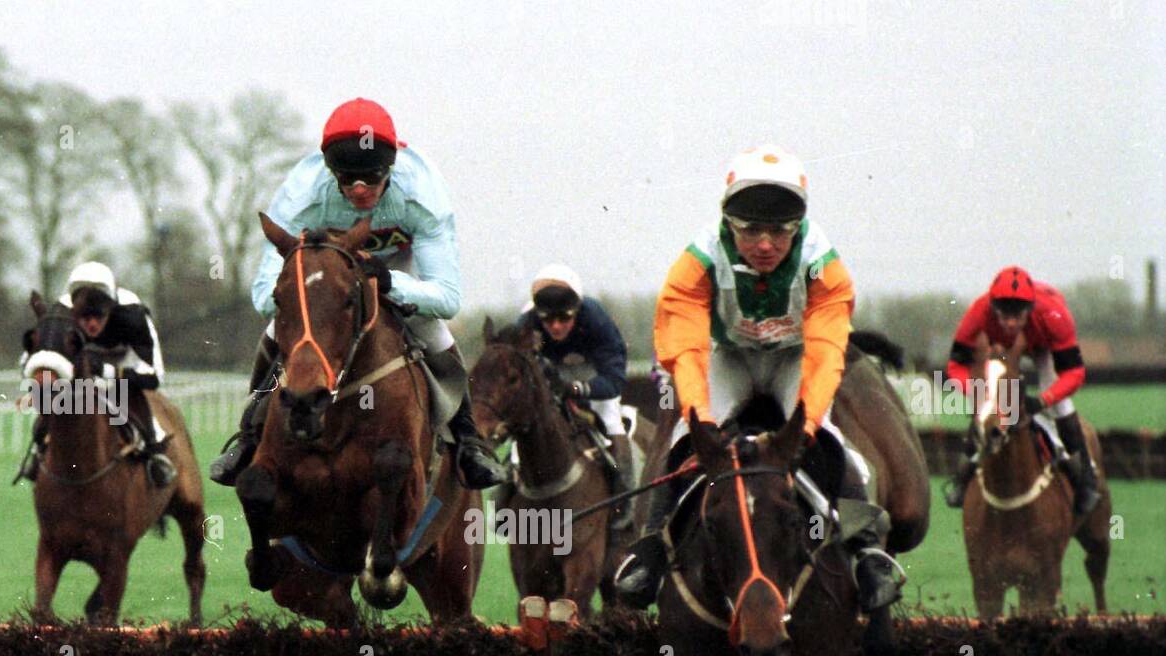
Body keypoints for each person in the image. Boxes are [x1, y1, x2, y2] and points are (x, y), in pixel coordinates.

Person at [614, 144, 901, 612]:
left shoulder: (822, 263)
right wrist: (701, 417)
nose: (765, 244)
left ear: (798, 227)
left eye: (779, 231)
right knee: (685, 440)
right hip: (731, 358)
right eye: (750, 230)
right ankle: (649, 552)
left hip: (794, 358)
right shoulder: (697, 261)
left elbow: (828, 352)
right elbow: (685, 349)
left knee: (827, 440)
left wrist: (804, 428)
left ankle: (867, 552)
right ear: (729, 223)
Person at [209, 97, 505, 490]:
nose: (360, 189)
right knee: (275, 333)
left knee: (433, 331)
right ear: (331, 173)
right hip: (329, 277)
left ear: (392, 167)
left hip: (399, 267)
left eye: (372, 178)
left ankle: (468, 440)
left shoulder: (422, 194)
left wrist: (387, 282)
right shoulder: (303, 194)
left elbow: (448, 296)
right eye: (347, 179)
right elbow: (266, 295)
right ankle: (250, 435)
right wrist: (313, 292)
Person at [942, 266, 1100, 515]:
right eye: (1004, 316)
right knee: (987, 408)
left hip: (1044, 347)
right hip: (1001, 352)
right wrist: (978, 395)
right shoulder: (978, 311)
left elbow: (1074, 373)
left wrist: (1043, 400)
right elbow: (955, 366)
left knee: (1060, 405)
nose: (1011, 323)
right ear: (993, 309)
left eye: (1018, 316)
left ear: (1031, 309)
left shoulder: (1053, 315)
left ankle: (1086, 482)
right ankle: (963, 476)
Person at [17, 261, 176, 487]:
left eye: (98, 316)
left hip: (124, 367)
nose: (91, 324)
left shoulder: (132, 314)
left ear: (110, 308)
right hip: (78, 375)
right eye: (84, 316)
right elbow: (30, 362)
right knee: (50, 402)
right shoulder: (59, 314)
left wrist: (108, 372)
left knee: (131, 403)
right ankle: (39, 448)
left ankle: (155, 453)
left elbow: (155, 377)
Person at [516, 264, 634, 530]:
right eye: (548, 320)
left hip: (593, 374)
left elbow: (614, 380)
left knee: (612, 424)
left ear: (577, 311)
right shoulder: (526, 324)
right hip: (549, 375)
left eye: (564, 318)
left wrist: (579, 389)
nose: (556, 327)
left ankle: (624, 502)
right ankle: (504, 499)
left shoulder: (596, 319)